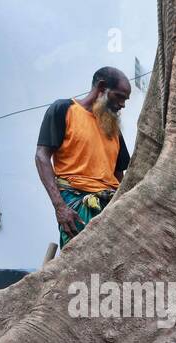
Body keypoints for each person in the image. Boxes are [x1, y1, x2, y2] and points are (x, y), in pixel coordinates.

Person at [35, 67, 132, 248]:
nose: (123, 105)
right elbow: (42, 156)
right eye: (119, 96)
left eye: (125, 100)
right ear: (102, 88)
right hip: (77, 206)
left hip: (111, 207)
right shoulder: (64, 109)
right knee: (80, 264)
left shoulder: (112, 127)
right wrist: (60, 207)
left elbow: (119, 173)